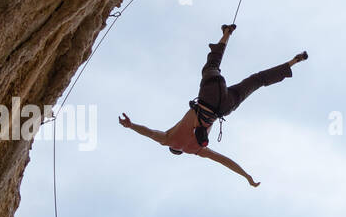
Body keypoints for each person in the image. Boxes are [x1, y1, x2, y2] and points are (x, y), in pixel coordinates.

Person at [118, 23, 307, 186]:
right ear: (171, 148)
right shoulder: (169, 140)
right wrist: (131, 125)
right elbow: (150, 133)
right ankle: (227, 33)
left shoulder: (197, 151)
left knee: (257, 80)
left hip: (223, 108)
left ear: (180, 152)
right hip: (207, 99)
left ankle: (292, 63)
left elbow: (225, 161)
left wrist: (246, 176)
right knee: (211, 66)